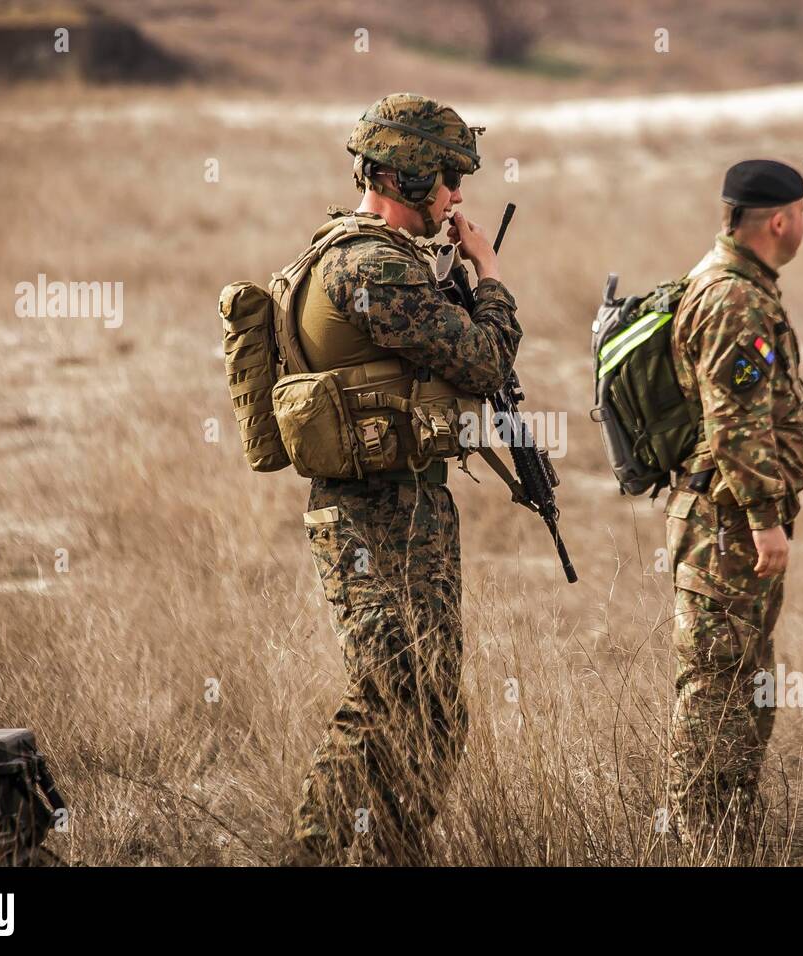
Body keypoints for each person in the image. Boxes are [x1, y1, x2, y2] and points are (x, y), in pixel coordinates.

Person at [284, 93, 522, 865]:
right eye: (447, 177)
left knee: (429, 710)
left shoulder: (362, 255)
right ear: (408, 174)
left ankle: (386, 850)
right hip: (375, 518)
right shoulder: (372, 265)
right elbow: (485, 359)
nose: (456, 196)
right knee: (392, 703)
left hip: (400, 510)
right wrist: (488, 276)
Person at [665, 159, 803, 852]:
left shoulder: (732, 283)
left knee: (742, 688)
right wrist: (764, 520)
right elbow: (735, 422)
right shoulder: (734, 299)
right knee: (716, 693)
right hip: (725, 526)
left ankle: (732, 841)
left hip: (726, 521)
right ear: (780, 221)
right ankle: (703, 844)